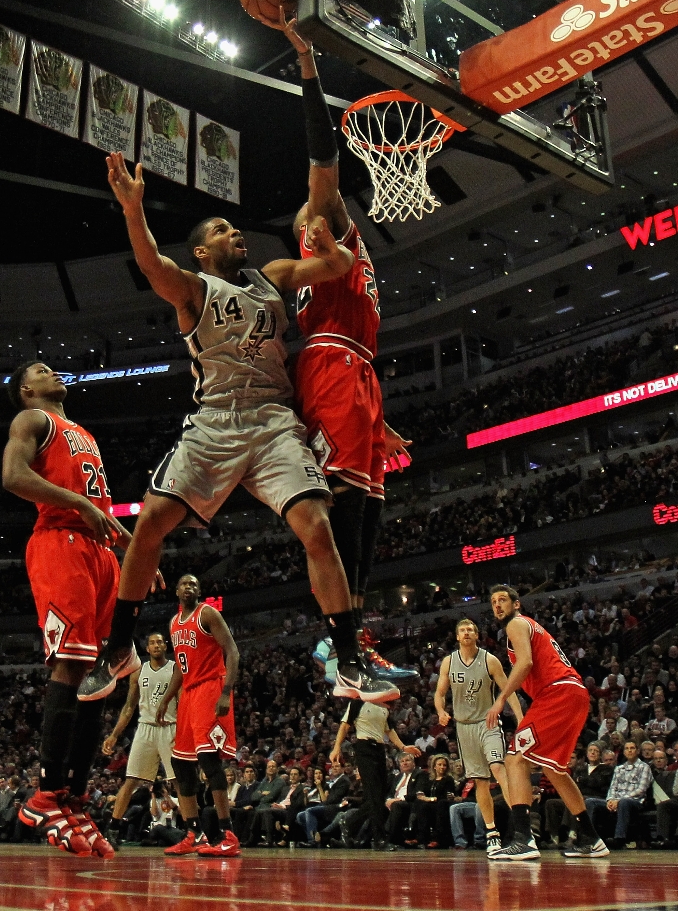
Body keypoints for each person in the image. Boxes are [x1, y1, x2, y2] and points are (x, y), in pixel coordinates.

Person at [78, 152, 397, 707]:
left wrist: (333, 251)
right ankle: (118, 647)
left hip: (273, 419)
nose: (237, 233)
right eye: (224, 231)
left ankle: (347, 660)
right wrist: (133, 209)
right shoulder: (192, 289)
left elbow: (337, 270)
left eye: (235, 227)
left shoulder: (269, 277)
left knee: (317, 527)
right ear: (203, 252)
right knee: (152, 519)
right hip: (215, 421)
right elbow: (152, 264)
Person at [280, 11, 416, 685]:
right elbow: (323, 160)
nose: (324, 206)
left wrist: (378, 413)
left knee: (368, 514)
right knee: (339, 508)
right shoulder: (319, 229)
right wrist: (308, 69)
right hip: (331, 368)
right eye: (314, 208)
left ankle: (353, 641)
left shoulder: (342, 247)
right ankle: (335, 642)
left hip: (356, 374)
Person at [2, 361, 133, 859]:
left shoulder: (83, 432)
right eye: (41, 369)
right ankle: (45, 793)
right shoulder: (32, 421)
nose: (52, 371)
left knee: (104, 672)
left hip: (98, 552)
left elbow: (97, 507)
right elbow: (13, 476)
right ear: (27, 389)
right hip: (60, 543)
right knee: (73, 664)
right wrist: (79, 506)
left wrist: (130, 551)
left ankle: (75, 799)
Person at [486, 584, 609, 860]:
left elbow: (526, 663)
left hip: (558, 692)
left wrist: (501, 698)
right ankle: (591, 838)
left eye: (503, 599)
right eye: (493, 601)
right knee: (555, 770)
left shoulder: (516, 624)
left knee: (515, 758)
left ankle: (523, 839)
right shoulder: (531, 627)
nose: (497, 605)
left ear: (516, 604)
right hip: (574, 693)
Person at [154, 574, 241, 857]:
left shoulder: (208, 614)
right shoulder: (174, 624)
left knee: (209, 761)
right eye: (184, 584)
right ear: (177, 591)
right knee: (180, 765)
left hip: (211, 687)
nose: (188, 587)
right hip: (189, 695)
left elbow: (232, 651)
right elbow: (181, 666)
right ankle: (194, 832)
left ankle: (228, 834)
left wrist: (226, 691)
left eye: (193, 584)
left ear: (199, 591)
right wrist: (166, 700)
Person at [435, 617, 523, 856]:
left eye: (470, 629)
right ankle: (492, 833)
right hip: (464, 727)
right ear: (456, 636)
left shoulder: (489, 660)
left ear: (476, 635)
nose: (466, 632)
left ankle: (522, 828)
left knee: (498, 767)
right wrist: (441, 711)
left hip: (488, 722)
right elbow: (440, 693)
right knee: (480, 781)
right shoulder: (448, 662)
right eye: (462, 629)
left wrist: (520, 718)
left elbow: (508, 691)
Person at [101, 631, 178, 850]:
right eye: (152, 642)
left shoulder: (175, 669)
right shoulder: (138, 672)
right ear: (146, 648)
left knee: (179, 781)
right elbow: (128, 707)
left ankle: (194, 830)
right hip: (144, 728)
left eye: (159, 642)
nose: (156, 645)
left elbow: (183, 703)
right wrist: (115, 734)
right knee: (131, 781)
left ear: (165, 646)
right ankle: (113, 830)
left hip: (170, 727)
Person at [330, 698, 419, 851]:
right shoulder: (357, 703)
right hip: (364, 748)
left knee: (378, 797)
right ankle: (379, 840)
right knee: (374, 796)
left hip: (379, 749)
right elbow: (345, 726)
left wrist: (403, 747)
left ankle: (349, 824)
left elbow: (389, 730)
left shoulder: (384, 706)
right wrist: (336, 747)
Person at [584, 739, 653, 848]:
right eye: (627, 748)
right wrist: (610, 800)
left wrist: (618, 801)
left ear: (637, 751)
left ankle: (619, 838)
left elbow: (641, 789)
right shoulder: (619, 769)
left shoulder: (644, 767)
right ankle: (589, 837)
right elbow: (612, 788)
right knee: (590, 802)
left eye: (632, 748)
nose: (629, 751)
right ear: (624, 752)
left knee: (624, 802)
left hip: (635, 802)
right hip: (616, 801)